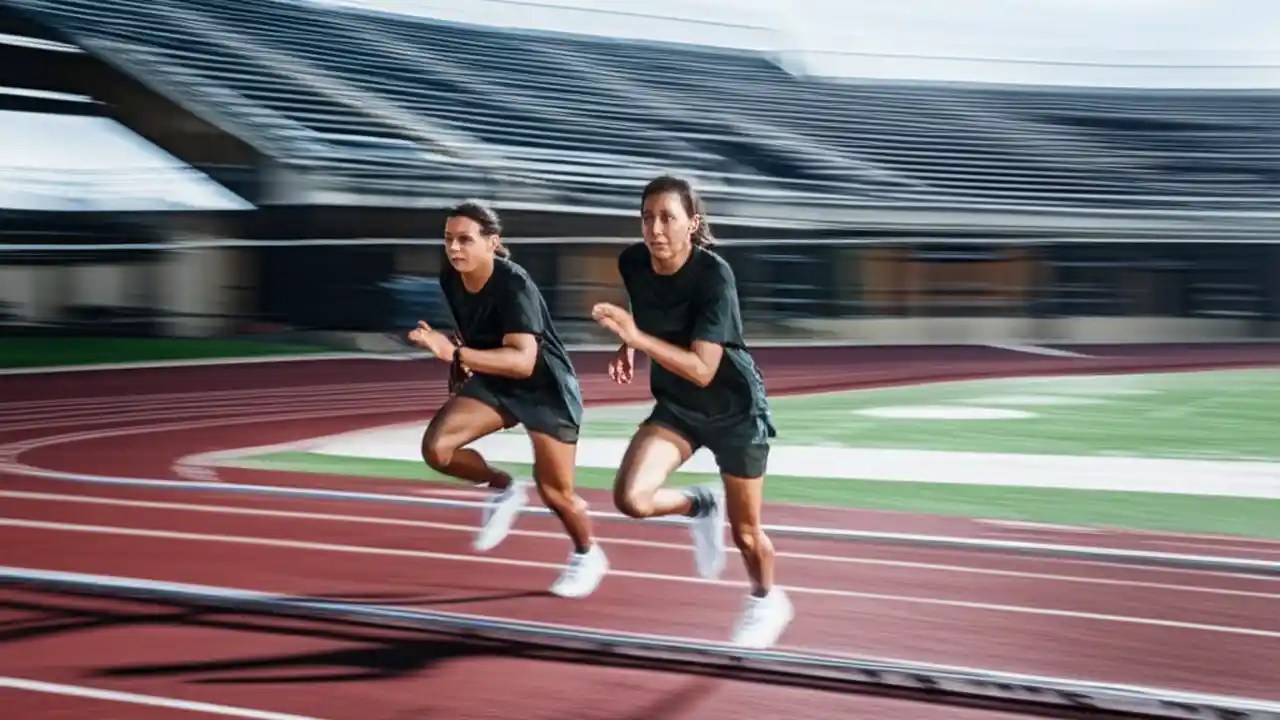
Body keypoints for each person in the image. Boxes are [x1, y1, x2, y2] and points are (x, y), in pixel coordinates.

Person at [590, 175, 794, 649]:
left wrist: (636, 339)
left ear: (692, 223)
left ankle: (767, 599)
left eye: (667, 218)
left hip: (734, 410)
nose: (655, 229)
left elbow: (704, 368)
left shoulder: (714, 275)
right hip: (678, 407)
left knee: (746, 534)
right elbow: (646, 310)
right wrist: (629, 345)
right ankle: (699, 504)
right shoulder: (634, 261)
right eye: (647, 217)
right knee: (632, 499)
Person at [408, 200, 607, 599]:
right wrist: (460, 362)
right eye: (448, 239)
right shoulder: (452, 275)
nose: (455, 248)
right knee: (438, 449)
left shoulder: (515, 284)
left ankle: (588, 553)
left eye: (465, 240)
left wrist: (456, 354)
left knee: (556, 493)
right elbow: (473, 328)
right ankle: (503, 487)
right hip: (496, 380)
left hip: (545, 389)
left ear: (492, 242)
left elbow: (523, 360)